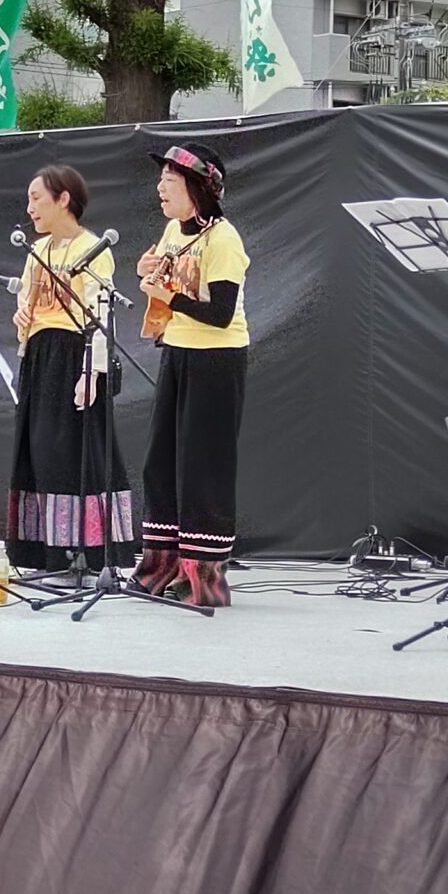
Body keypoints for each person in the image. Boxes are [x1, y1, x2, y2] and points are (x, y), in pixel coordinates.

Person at [134, 143, 250, 608]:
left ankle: (204, 578)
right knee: (161, 462)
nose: (161, 187)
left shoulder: (223, 239)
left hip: (217, 358)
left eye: (171, 180)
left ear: (198, 188)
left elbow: (221, 313)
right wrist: (150, 271)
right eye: (161, 178)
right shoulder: (172, 232)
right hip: (178, 351)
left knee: (204, 468)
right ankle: (161, 568)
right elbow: (163, 282)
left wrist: (168, 295)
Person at [5, 165, 136, 571]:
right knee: (40, 453)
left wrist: (91, 372)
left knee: (72, 454)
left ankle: (86, 550)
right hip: (40, 357)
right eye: (28, 200)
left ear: (64, 199)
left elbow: (99, 315)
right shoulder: (37, 252)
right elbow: (26, 308)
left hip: (73, 356)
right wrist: (22, 316)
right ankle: (44, 551)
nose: (30, 208)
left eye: (37, 199)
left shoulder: (93, 249)